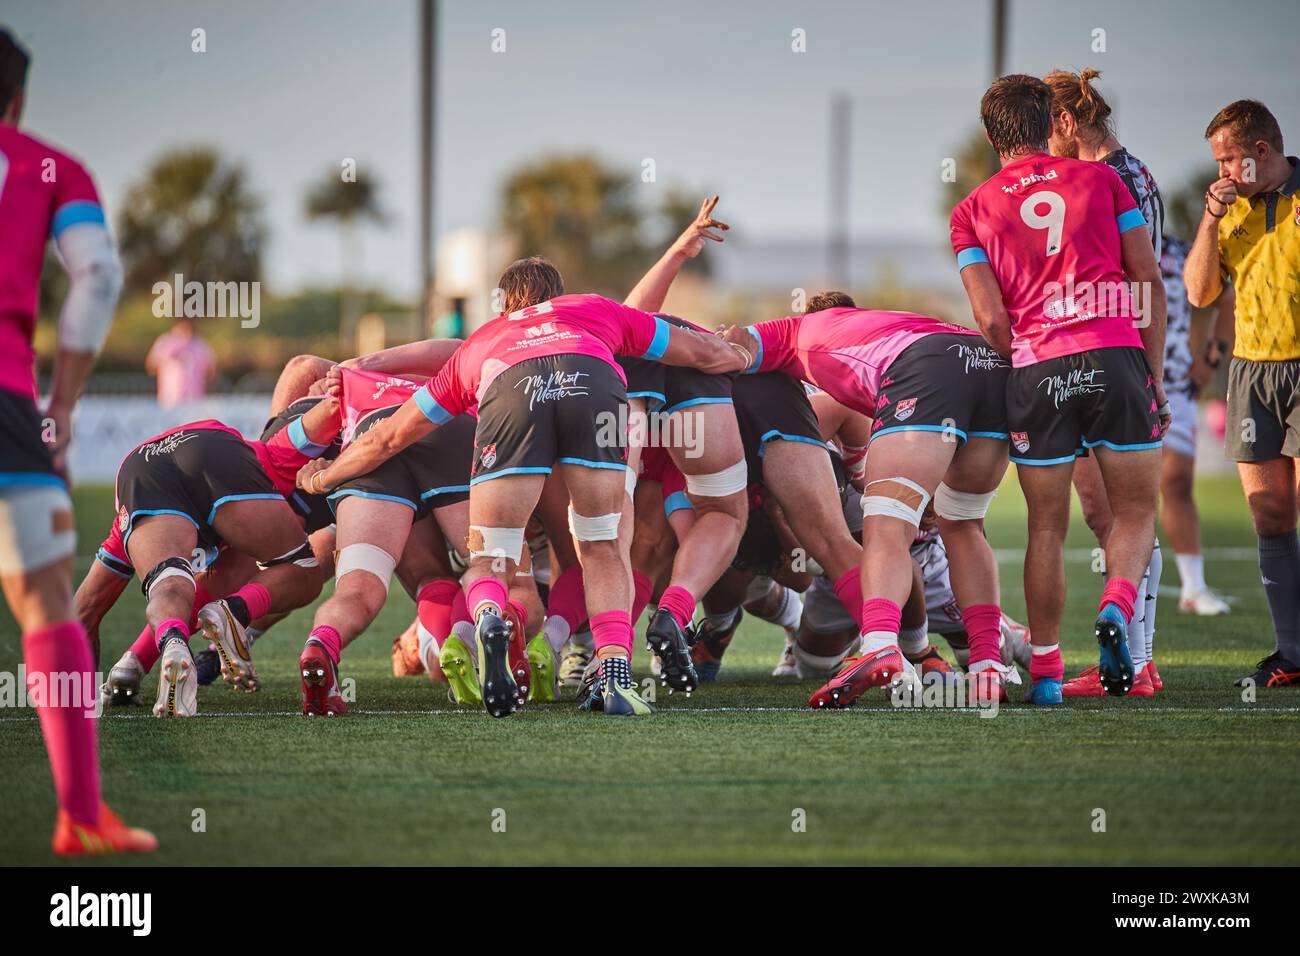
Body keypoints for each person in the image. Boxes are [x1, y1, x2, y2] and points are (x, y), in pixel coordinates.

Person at [298, 258, 751, 717]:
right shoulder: (593, 308)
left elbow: (389, 436)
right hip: (591, 385)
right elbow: (697, 351)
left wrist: (323, 477)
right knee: (602, 549)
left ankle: (490, 618)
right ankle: (615, 677)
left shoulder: (483, 339)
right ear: (558, 294)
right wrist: (742, 355)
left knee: (490, 559)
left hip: (512, 392)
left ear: (503, 304)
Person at [951, 74, 1168, 704]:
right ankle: (1116, 608)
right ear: (1053, 123)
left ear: (992, 136)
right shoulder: (1104, 180)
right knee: (1134, 513)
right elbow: (1147, 279)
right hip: (1114, 357)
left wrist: (1025, 354)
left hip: (1038, 369)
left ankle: (1045, 674)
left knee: (1046, 526)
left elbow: (991, 320)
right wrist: (1149, 376)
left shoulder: (970, 211)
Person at [0, 28, 154, 854]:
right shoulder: (50, 169)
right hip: (7, 402)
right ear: (18, 99)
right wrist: (56, 406)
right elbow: (97, 275)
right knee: (47, 606)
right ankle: (80, 814)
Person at [722, 297, 1014, 707]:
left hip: (926, 366)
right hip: (988, 364)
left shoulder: (786, 334)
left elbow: (729, 345)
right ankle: (987, 668)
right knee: (964, 523)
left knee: (886, 523)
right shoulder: (875, 324)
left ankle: (879, 645)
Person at [1041, 68, 1170, 696]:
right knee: (1109, 513)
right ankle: (1134, 659)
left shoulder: (1116, 178)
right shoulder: (1123, 175)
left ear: (1066, 122)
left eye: (1047, 129)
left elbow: (1142, 279)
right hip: (1112, 359)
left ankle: (1138, 663)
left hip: (1115, 359)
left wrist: (1152, 372)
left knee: (1125, 511)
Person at [1184, 99, 1300, 688]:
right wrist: (1208, 218)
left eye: (1228, 159)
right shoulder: (1227, 212)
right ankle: (1292, 652)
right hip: (1252, 374)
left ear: (1260, 151)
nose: (1222, 171)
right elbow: (1201, 293)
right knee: (1270, 513)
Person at [1159, 240, 1231, 618]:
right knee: (1110, 500)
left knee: (1177, 482)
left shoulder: (1181, 251)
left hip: (1174, 387)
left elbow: (1227, 296)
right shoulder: (1101, 241)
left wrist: (1210, 360)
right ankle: (1121, 595)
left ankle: (1193, 586)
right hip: (1117, 382)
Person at [145, 316, 216, 408]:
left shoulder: (200, 344)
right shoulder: (166, 342)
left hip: (194, 399)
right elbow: (151, 366)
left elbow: (212, 372)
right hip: (169, 399)